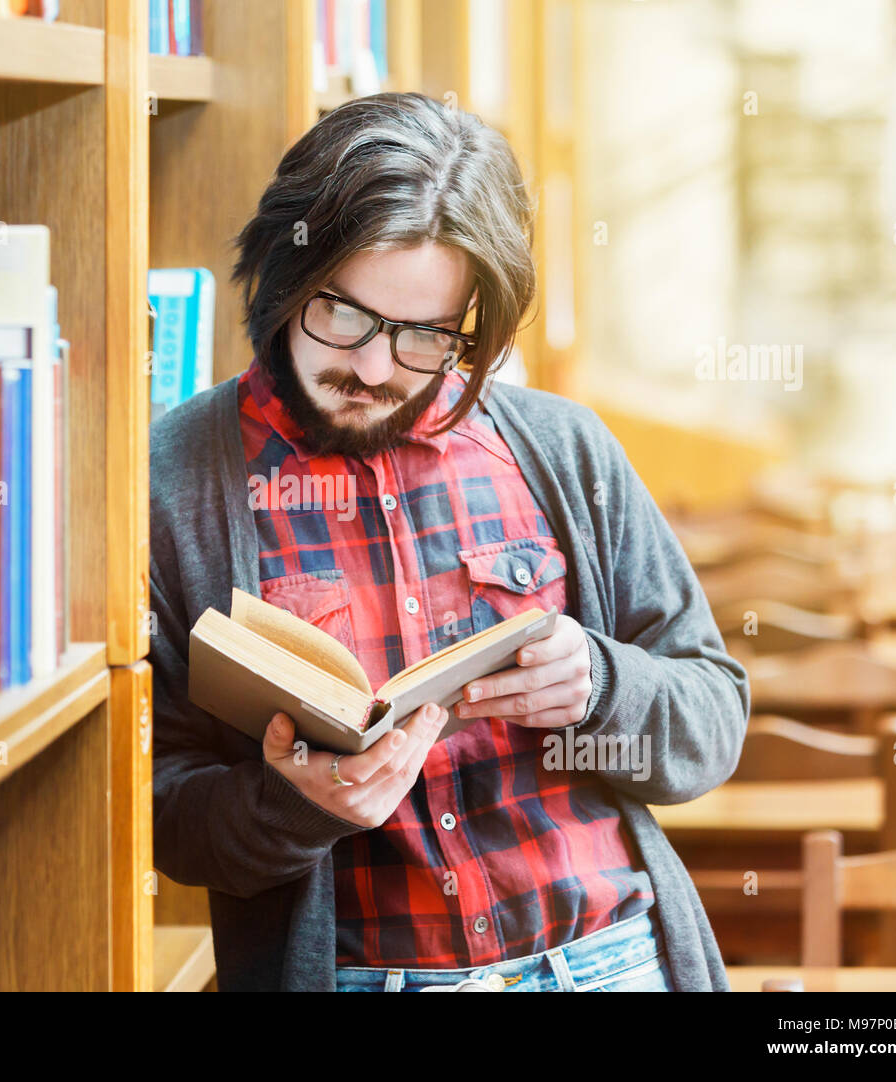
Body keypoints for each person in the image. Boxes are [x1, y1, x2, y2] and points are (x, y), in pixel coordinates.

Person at [149, 92, 750, 992]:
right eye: (342, 315)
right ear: (282, 271)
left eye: (425, 335)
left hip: (615, 956)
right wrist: (293, 807)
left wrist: (602, 685)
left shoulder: (562, 448)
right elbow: (151, 809)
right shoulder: (172, 483)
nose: (375, 367)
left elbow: (713, 717)